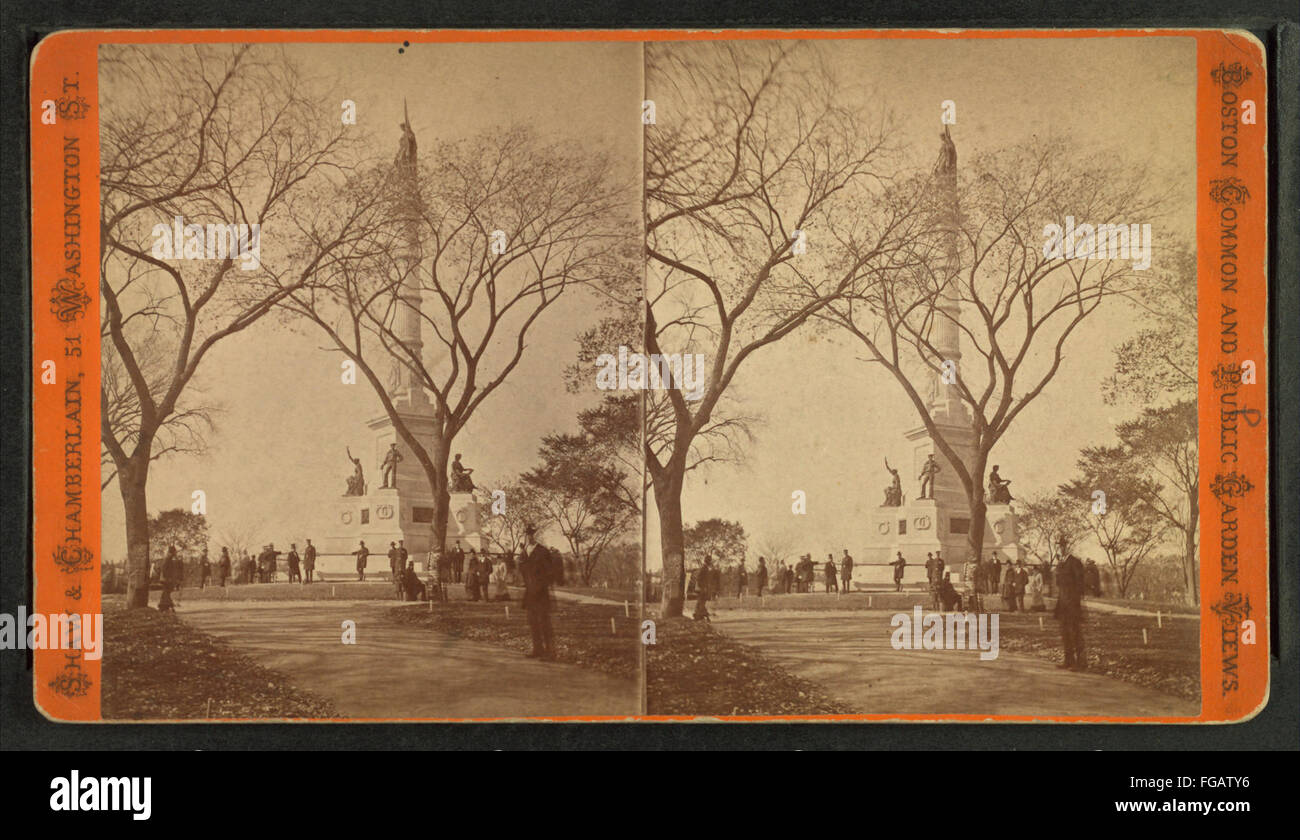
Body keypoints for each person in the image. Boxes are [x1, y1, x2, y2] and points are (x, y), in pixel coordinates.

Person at [518, 524, 556, 659]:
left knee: (544, 621)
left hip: (541, 592)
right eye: (528, 534)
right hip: (530, 592)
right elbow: (522, 570)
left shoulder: (543, 551)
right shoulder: (524, 552)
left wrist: (540, 585)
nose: (530, 536)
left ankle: (550, 651)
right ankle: (537, 649)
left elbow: (550, 572)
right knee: (532, 621)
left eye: (532, 534)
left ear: (537, 535)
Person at [1055, 552, 1088, 670]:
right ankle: (1068, 660)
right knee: (1065, 633)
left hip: (1072, 604)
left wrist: (1075, 600)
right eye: (1058, 545)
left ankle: (1080, 662)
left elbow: (1080, 583)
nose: (1060, 548)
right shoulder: (1061, 564)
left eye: (1062, 545)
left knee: (1075, 632)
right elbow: (1058, 584)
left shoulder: (1075, 562)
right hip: (1063, 603)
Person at [158, 544, 181, 612]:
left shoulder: (169, 558)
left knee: (166, 592)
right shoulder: (168, 558)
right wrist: (168, 578)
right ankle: (165, 605)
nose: (175, 553)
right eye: (175, 552)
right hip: (166, 579)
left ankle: (165, 606)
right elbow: (164, 569)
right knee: (166, 592)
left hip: (167, 578)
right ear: (172, 552)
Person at [693, 555, 717, 621]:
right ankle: (700, 615)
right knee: (701, 602)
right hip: (701, 588)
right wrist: (703, 587)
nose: (711, 562)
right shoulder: (704, 568)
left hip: (702, 588)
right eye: (710, 560)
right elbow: (699, 578)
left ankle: (698, 615)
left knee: (701, 602)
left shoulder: (705, 568)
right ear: (708, 561)